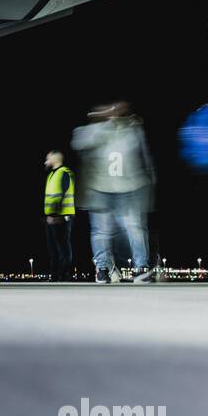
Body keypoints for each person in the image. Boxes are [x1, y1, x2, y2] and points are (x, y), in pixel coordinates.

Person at [71, 101, 155, 284]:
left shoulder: (133, 130)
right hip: (100, 188)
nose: (113, 113)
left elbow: (145, 157)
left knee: (135, 228)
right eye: (109, 110)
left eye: (118, 111)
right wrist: (103, 123)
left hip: (130, 188)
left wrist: (149, 184)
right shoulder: (92, 130)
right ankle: (102, 269)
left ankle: (141, 268)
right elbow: (78, 142)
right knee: (101, 231)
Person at [43, 150, 76, 281]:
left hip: (62, 216)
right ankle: (55, 276)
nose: (46, 161)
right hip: (52, 217)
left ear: (55, 159)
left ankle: (64, 275)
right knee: (53, 248)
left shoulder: (64, 173)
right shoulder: (52, 174)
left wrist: (56, 216)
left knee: (63, 247)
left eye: (48, 158)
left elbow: (62, 194)